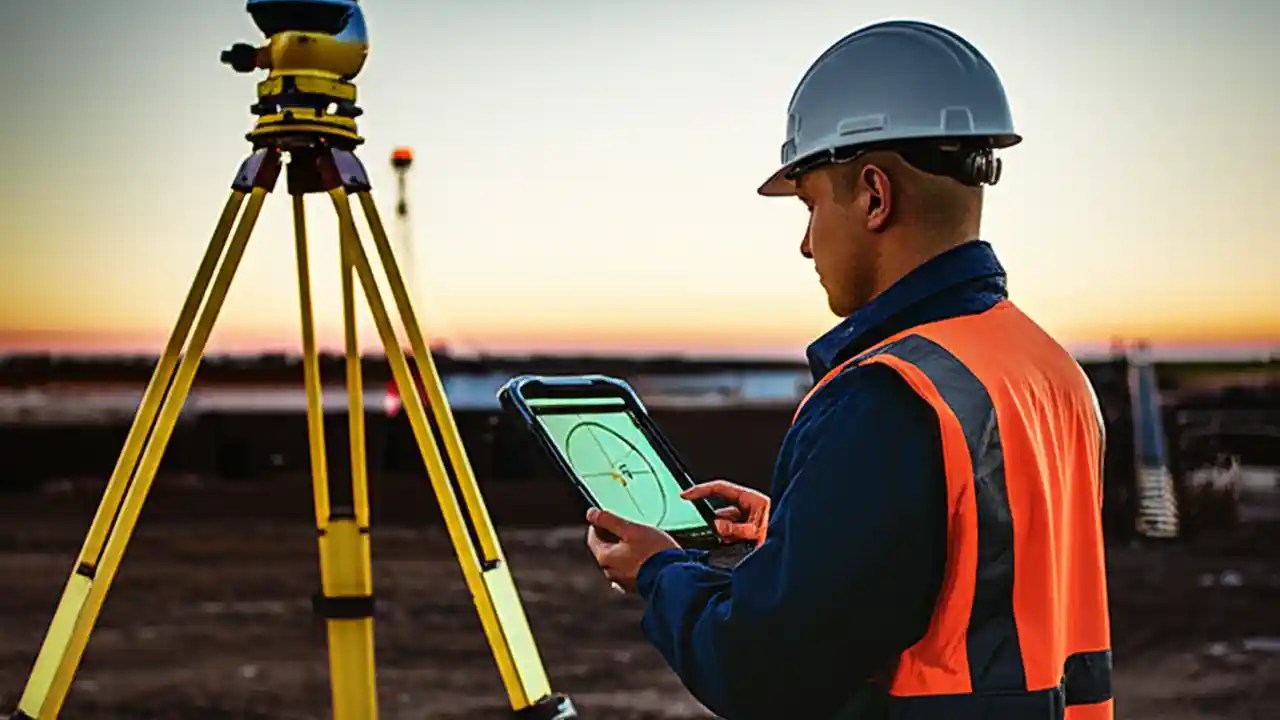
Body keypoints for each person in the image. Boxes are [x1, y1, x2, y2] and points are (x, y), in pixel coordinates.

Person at [584, 19, 1115, 720]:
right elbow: (978, 577)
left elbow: (761, 669)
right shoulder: (1049, 371)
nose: (806, 245)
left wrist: (659, 572)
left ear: (873, 194)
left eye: (809, 206)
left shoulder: (886, 396)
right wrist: (803, 532)